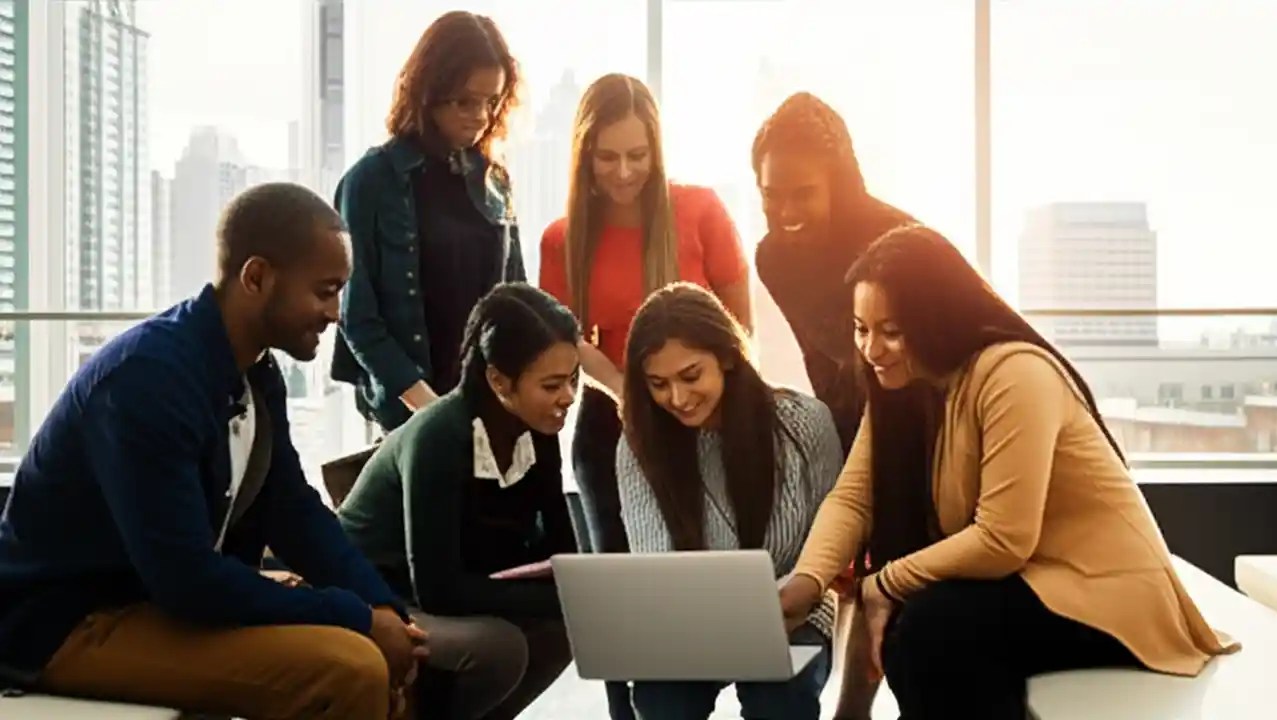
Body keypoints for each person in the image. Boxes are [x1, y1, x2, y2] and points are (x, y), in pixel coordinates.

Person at [0, 183, 428, 718]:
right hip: (66, 622)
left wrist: (382, 605)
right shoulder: (148, 380)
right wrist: (356, 616)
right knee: (351, 667)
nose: (335, 313)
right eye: (324, 291)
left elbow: (294, 511)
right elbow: (186, 581)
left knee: (386, 649)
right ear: (256, 278)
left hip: (148, 600)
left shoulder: (255, 373)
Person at [777, 224, 1239, 719]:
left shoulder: (1014, 373)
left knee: (930, 627)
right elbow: (854, 498)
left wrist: (883, 583)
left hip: (1106, 596)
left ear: (938, 318)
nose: (871, 349)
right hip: (1029, 582)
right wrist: (808, 580)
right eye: (861, 328)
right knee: (923, 624)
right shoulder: (906, 386)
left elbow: (1004, 539)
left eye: (892, 330)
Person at [540, 74, 752, 718]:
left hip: (703, 421)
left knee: (706, 576)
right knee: (625, 600)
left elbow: (738, 328)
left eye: (638, 154)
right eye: (608, 156)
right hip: (612, 424)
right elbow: (567, 336)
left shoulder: (702, 210)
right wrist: (629, 393)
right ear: (585, 155)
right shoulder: (561, 237)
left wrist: (691, 394)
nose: (625, 171)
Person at [339, 283, 579, 720]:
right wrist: (557, 599)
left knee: (569, 628)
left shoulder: (539, 431)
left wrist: (583, 590)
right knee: (501, 648)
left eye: (572, 379)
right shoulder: (440, 437)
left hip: (450, 589)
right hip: (381, 596)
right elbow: (439, 589)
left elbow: (560, 546)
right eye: (552, 384)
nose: (569, 396)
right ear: (498, 381)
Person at [751, 91, 916, 719]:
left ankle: (860, 704)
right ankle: (850, 708)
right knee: (848, 570)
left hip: (921, 421)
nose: (786, 210)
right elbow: (829, 366)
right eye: (772, 194)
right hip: (852, 422)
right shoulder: (772, 257)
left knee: (898, 580)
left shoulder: (896, 240)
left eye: (803, 193)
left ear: (838, 184)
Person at [615, 283, 840, 720]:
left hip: (793, 614)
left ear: (728, 356)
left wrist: (793, 597)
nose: (677, 399)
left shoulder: (805, 424)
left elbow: (830, 543)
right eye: (658, 384)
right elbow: (655, 562)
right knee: (662, 700)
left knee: (779, 697)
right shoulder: (640, 443)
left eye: (691, 375)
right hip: (688, 625)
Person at [332, 10, 525, 432]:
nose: (479, 116)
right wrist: (430, 410)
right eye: (464, 101)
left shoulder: (494, 180)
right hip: (410, 418)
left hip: (490, 408)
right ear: (428, 92)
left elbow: (518, 301)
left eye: (490, 102)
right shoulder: (372, 181)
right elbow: (357, 317)